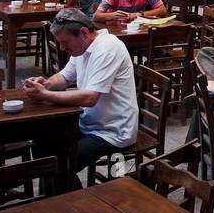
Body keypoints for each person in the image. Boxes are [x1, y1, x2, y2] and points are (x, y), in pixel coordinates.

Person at [23, 9, 138, 172]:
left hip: (112, 131)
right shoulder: (81, 48)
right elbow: (64, 77)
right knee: (42, 144)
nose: (62, 48)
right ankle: (59, 194)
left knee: (61, 163)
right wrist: (45, 84)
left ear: (84, 32)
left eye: (65, 42)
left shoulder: (108, 47)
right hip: (88, 123)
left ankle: (68, 195)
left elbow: (90, 98)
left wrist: (45, 94)